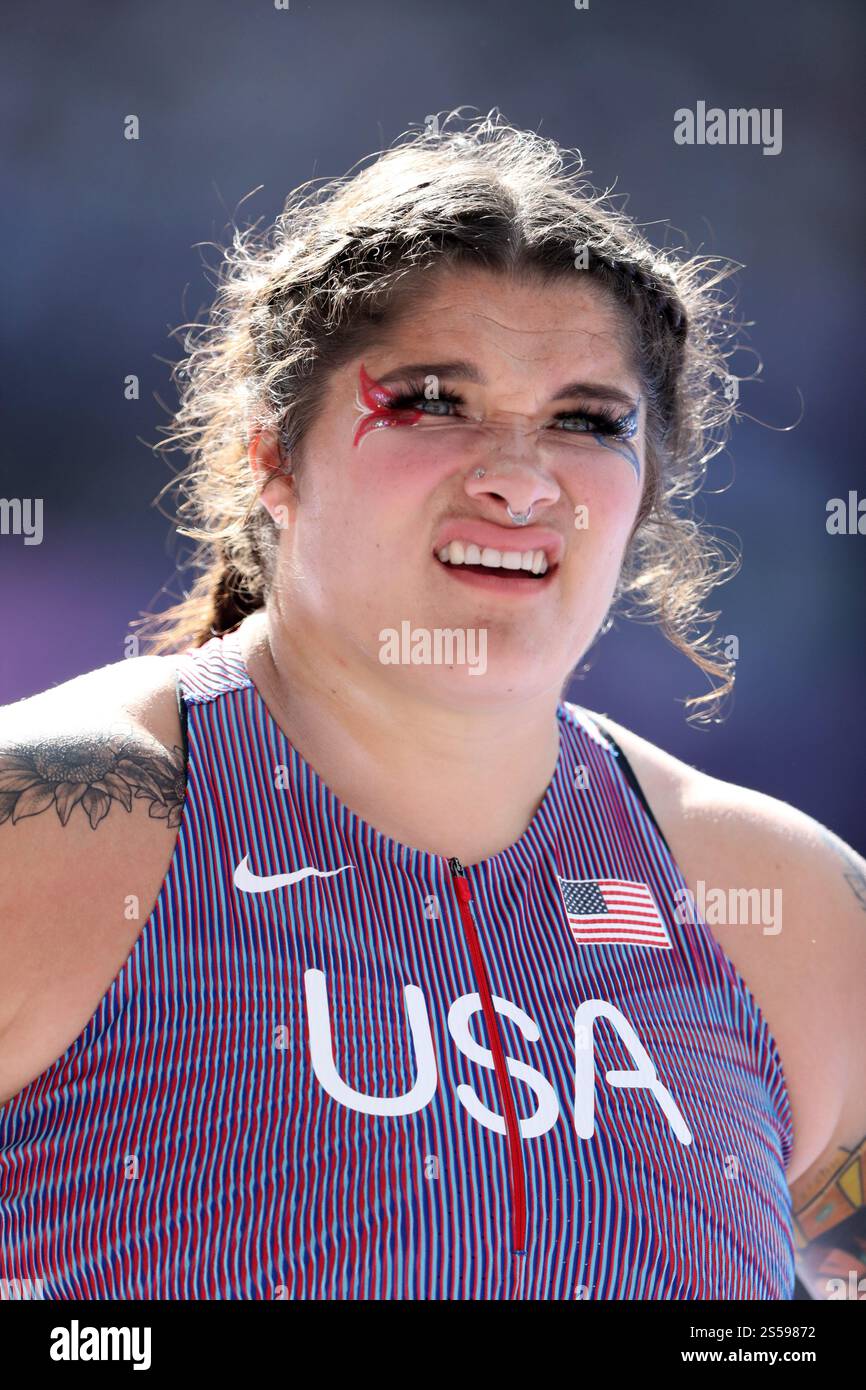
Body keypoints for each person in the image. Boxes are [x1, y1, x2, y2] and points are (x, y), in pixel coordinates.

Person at [1, 111, 863, 1302]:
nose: (517, 476)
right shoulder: (50, 831)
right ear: (272, 456)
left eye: (583, 420)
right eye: (430, 401)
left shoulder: (787, 909)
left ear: (646, 490)